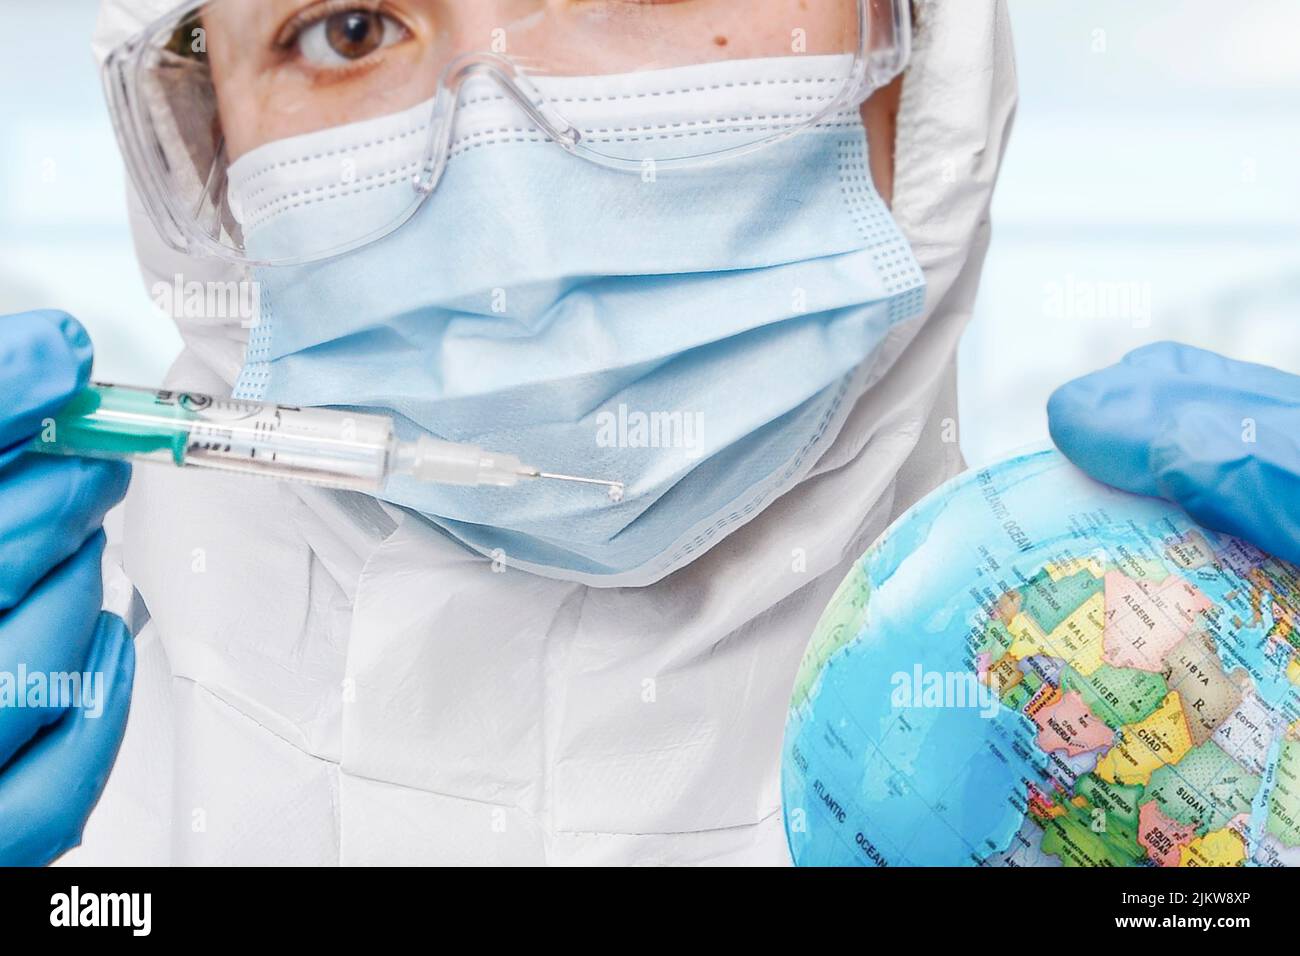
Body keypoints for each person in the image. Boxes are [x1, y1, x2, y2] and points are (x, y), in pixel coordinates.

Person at [7, 0, 1026, 864]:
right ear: (202, 142)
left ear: (929, 42)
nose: (510, 198)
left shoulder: (1131, 723)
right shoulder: (63, 743)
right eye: (348, 29)